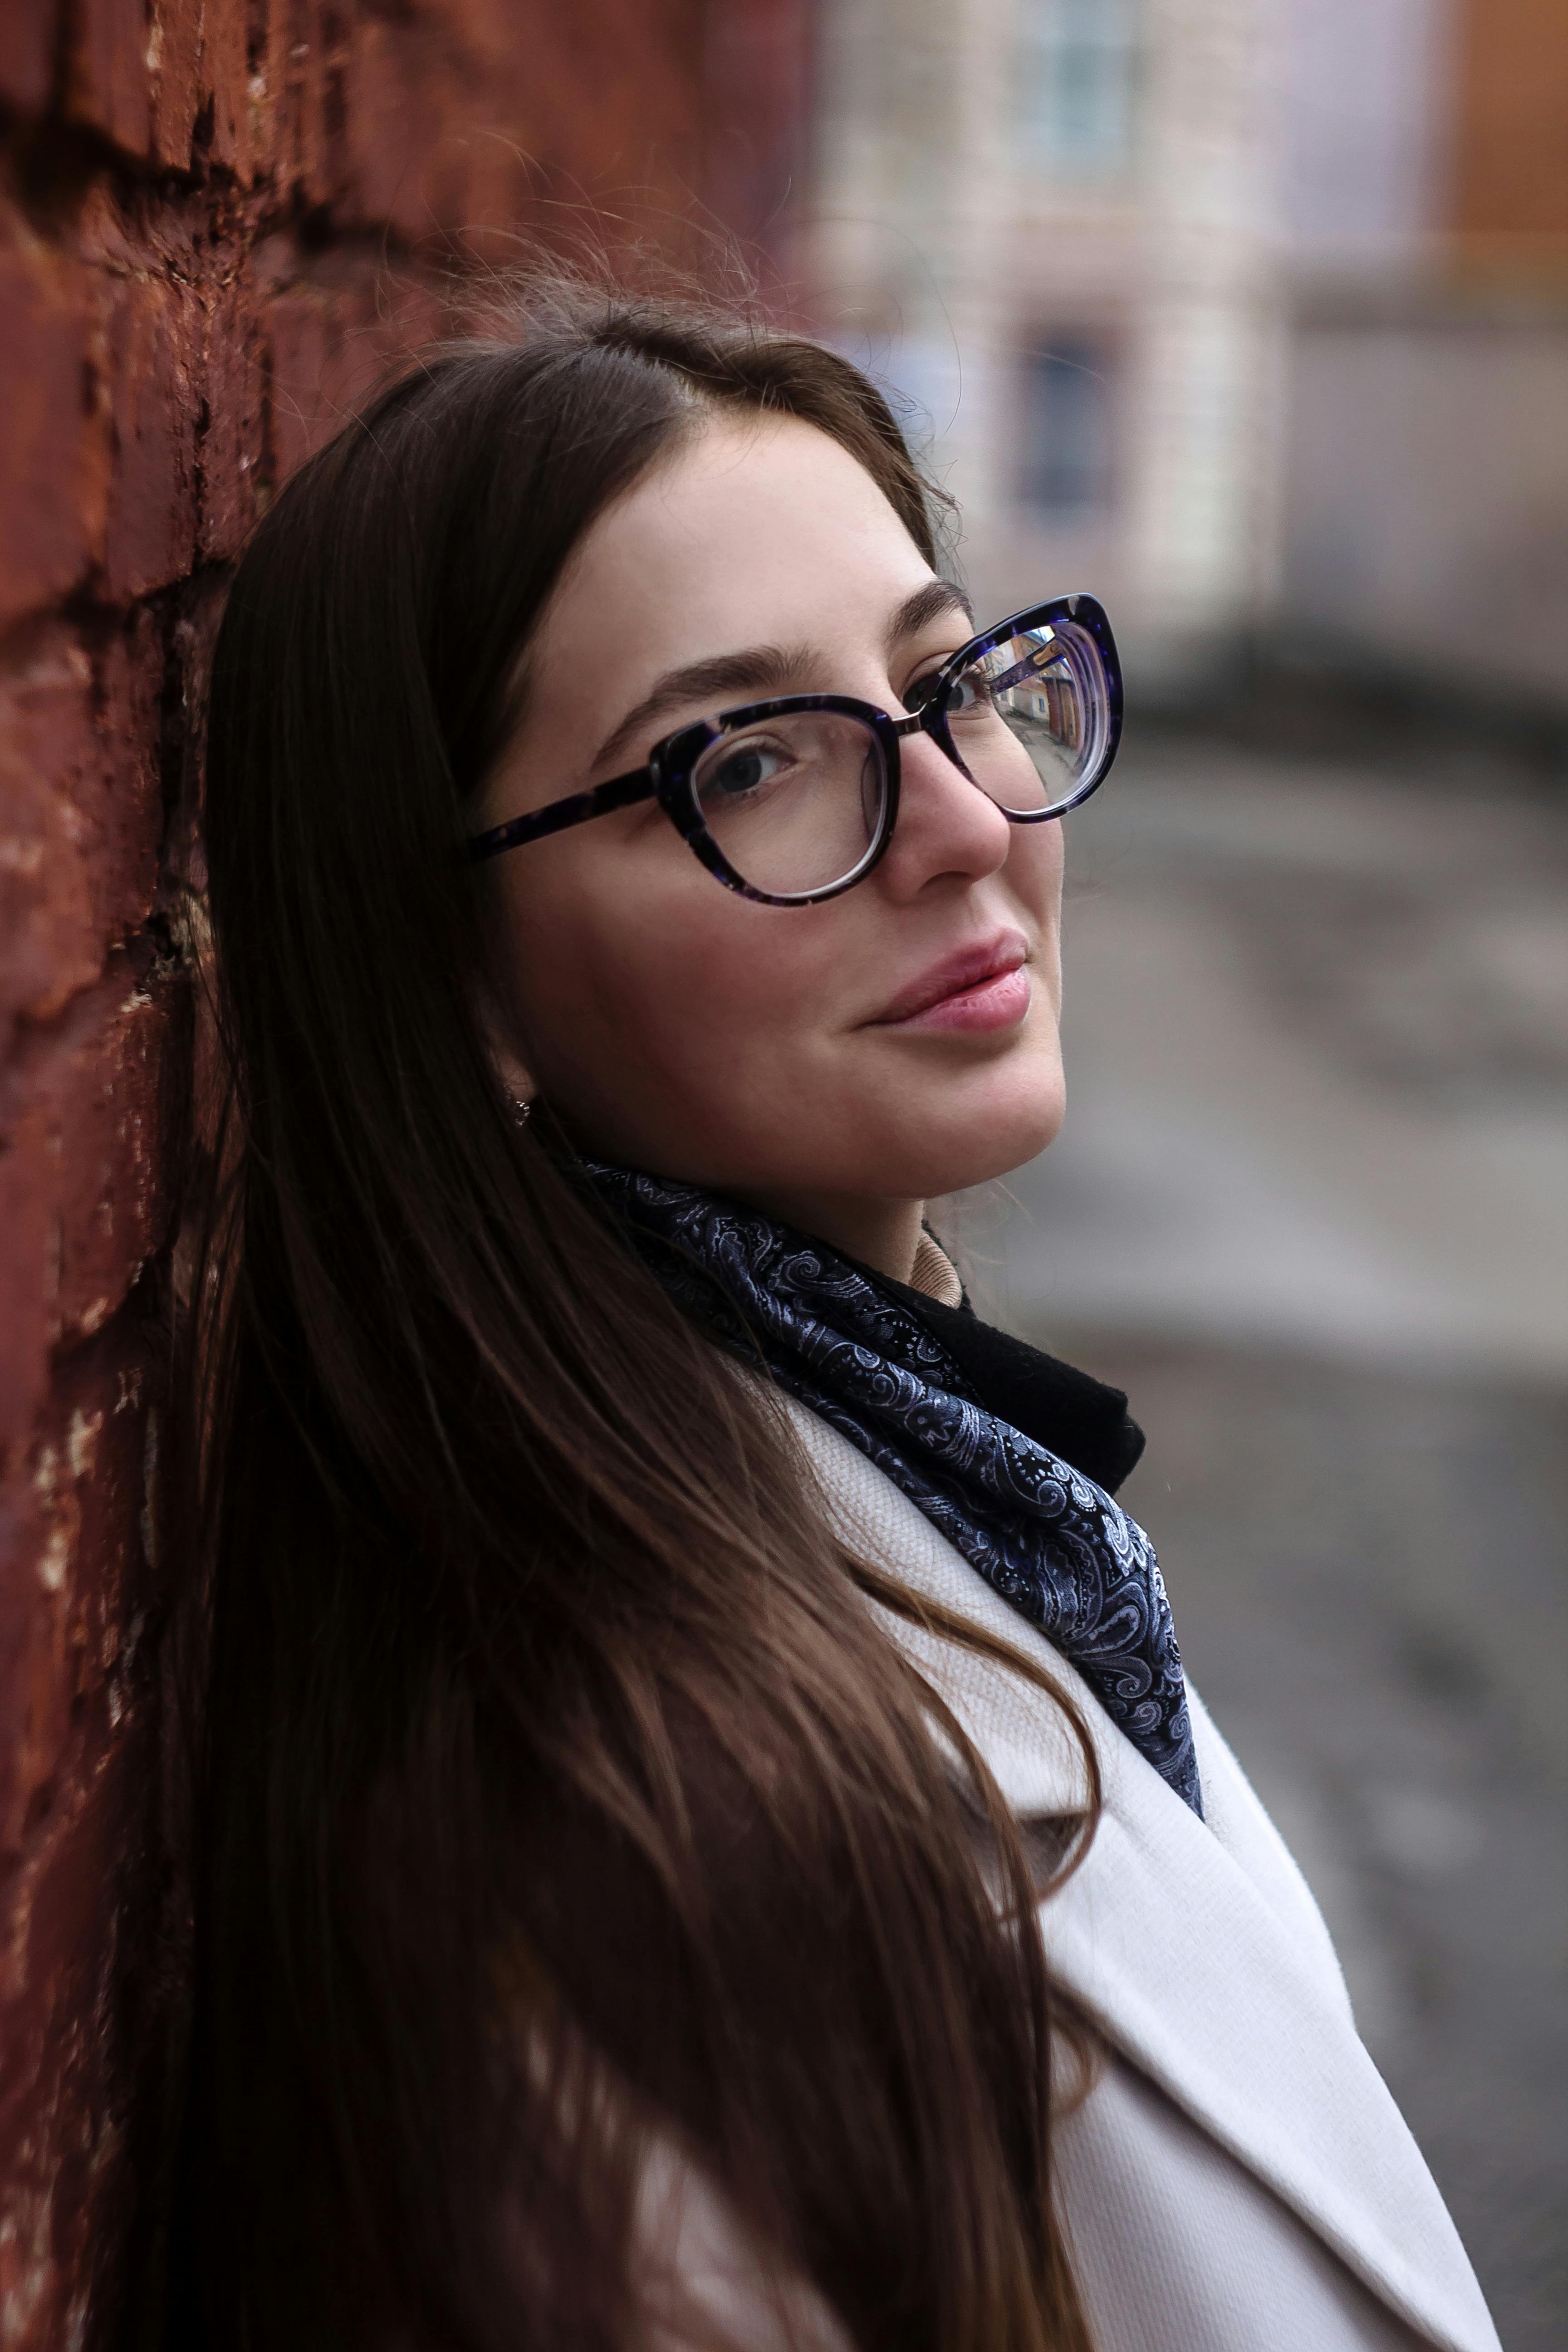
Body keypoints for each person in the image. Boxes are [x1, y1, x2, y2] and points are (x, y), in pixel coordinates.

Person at [167, 279, 1500, 2352]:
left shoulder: (958, 1493)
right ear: (455, 977)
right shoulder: (601, 1888)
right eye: (755, 762)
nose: (973, 824)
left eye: (953, 680)